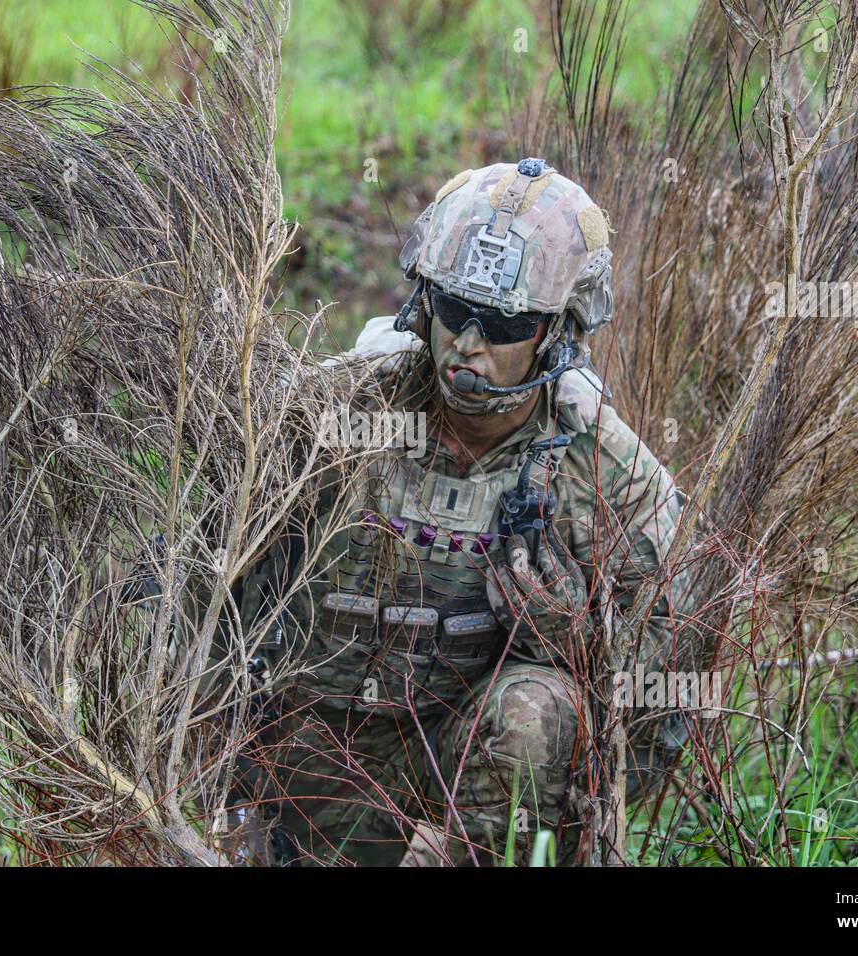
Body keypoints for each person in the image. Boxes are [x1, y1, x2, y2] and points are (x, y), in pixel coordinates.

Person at [238, 158, 688, 866]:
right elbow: (211, 594)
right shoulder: (331, 418)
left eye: (503, 322)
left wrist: (572, 641)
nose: (469, 343)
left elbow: (655, 711)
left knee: (536, 714)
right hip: (310, 754)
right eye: (454, 311)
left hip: (465, 789)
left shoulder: (608, 477)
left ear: (553, 331)